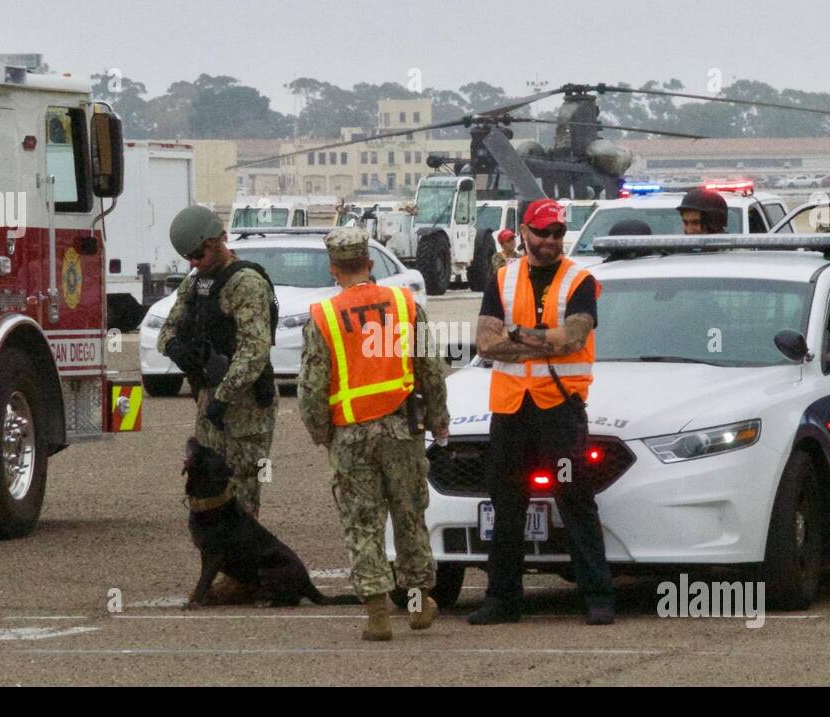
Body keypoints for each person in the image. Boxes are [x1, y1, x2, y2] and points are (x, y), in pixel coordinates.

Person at [298, 228, 450, 641]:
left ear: (334, 269)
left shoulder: (323, 316)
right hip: (402, 430)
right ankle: (418, 607)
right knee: (409, 515)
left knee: (362, 523)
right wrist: (439, 419)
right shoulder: (405, 305)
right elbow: (430, 368)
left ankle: (377, 614)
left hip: (350, 434)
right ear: (370, 263)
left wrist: (322, 434)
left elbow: (311, 388)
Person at [469, 199, 615, 626]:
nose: (551, 241)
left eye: (557, 234)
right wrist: (540, 339)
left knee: (575, 499)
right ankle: (502, 600)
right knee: (507, 503)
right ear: (525, 232)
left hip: (560, 412)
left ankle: (598, 597)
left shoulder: (580, 280)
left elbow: (573, 338)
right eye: (542, 233)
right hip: (511, 410)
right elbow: (485, 343)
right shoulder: (502, 277)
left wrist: (516, 333)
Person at [157, 205, 279, 519]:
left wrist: (222, 398)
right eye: (189, 258)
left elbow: (254, 353)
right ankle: (223, 562)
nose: (194, 263)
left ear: (217, 241)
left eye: (199, 254)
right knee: (209, 489)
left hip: (245, 405)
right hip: (211, 400)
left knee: (241, 491)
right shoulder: (196, 283)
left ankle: (242, 567)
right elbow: (166, 330)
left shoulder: (246, 283)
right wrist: (176, 349)